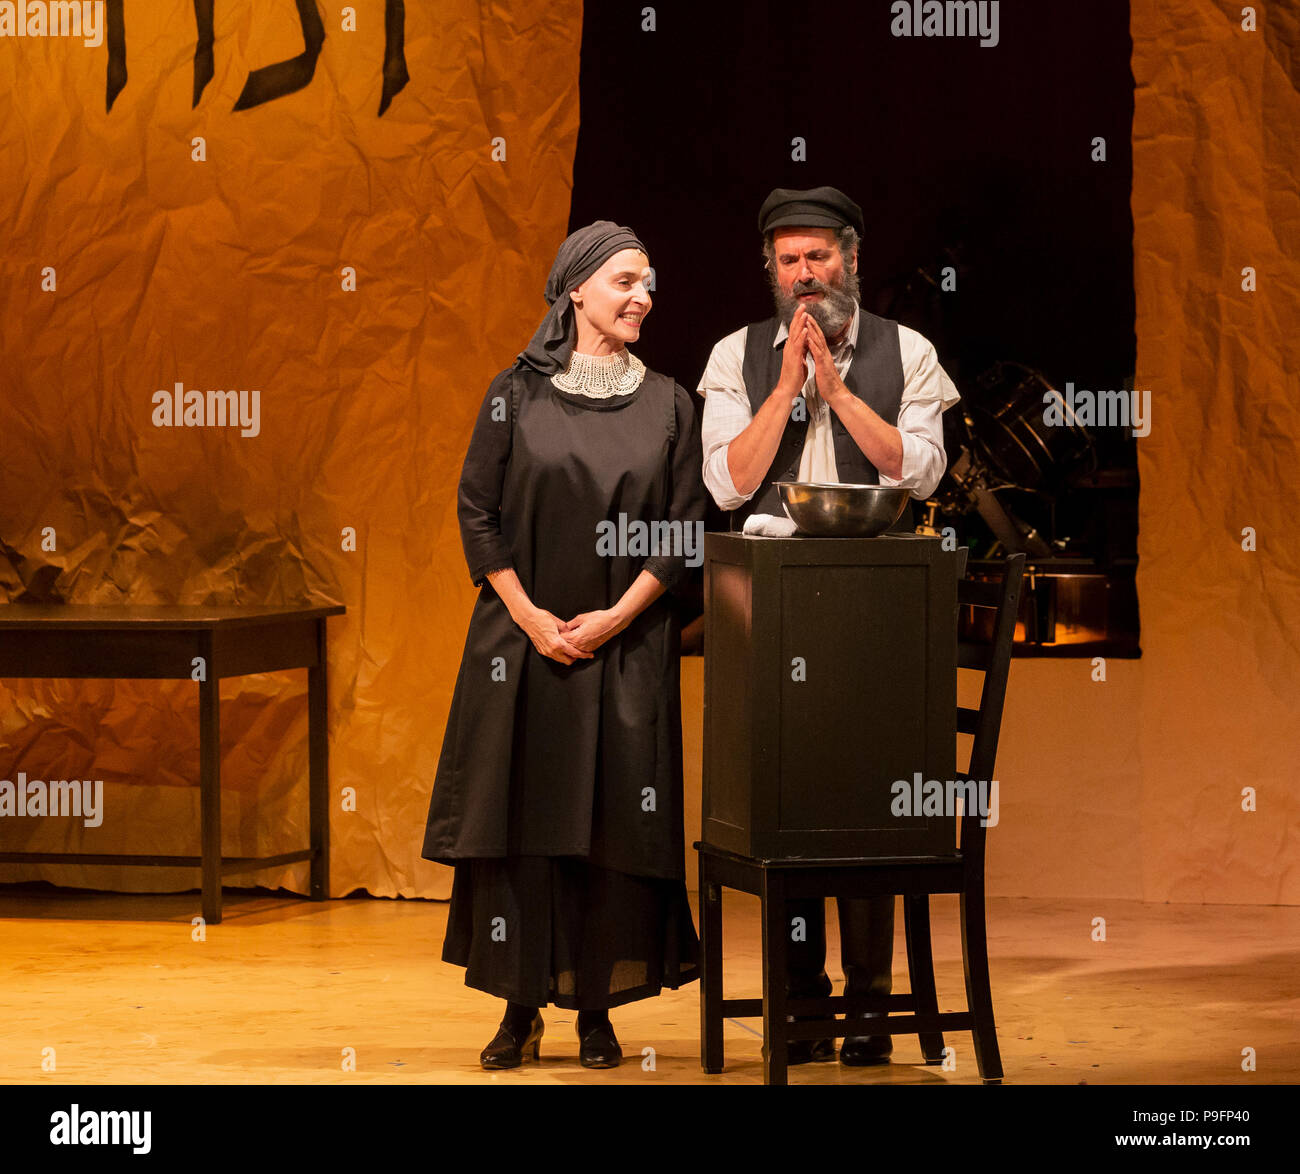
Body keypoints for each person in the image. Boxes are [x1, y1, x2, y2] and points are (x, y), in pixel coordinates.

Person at [422, 221, 706, 1072]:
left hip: (623, 648)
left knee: (613, 824)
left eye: (649, 282)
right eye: (624, 279)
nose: (642, 296)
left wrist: (617, 617)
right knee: (525, 823)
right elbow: (478, 513)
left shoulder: (669, 405)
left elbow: (684, 530)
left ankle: (596, 1009)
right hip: (523, 646)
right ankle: (518, 1010)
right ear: (576, 289)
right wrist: (531, 616)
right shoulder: (516, 393)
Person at [698, 185, 960, 1065]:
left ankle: (871, 1004)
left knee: (868, 800)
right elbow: (730, 486)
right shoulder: (734, 357)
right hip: (775, 616)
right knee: (791, 804)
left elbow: (919, 472)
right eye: (788, 260)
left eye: (820, 256)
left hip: (871, 613)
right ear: (769, 271)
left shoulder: (907, 350)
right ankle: (801, 1001)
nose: (805, 275)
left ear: (850, 258)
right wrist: (784, 389)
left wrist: (839, 392)